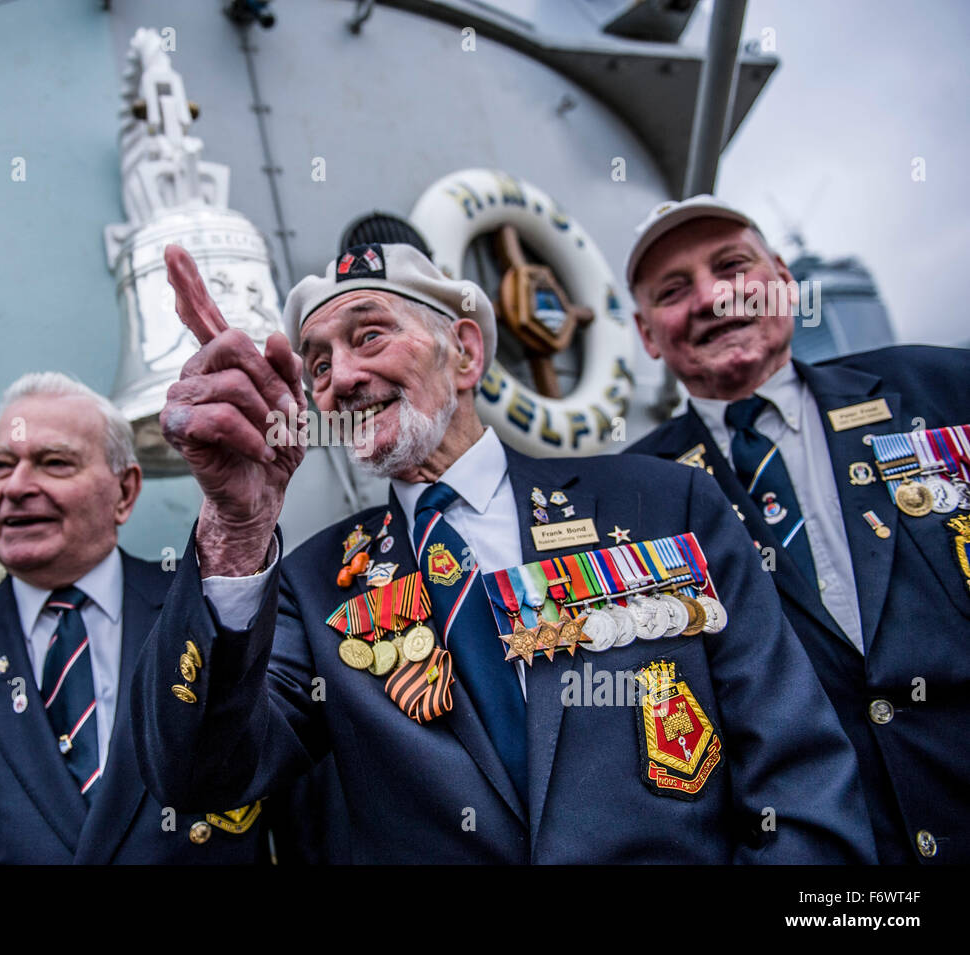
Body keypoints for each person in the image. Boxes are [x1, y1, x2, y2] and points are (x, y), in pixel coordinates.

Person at [130, 241, 877, 863]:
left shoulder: (660, 503)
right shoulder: (311, 583)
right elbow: (202, 772)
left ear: (464, 351)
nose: (343, 378)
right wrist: (236, 526)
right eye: (318, 366)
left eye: (369, 335)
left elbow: (797, 770)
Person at [624, 195, 970, 864]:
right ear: (646, 333)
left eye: (732, 265)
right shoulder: (630, 499)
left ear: (782, 279)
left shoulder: (944, 389)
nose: (712, 297)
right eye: (674, 289)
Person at [0, 372, 271, 863]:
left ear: (124, 493)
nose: (15, 487)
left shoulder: (217, 614)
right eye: (0, 465)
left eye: (53, 463)